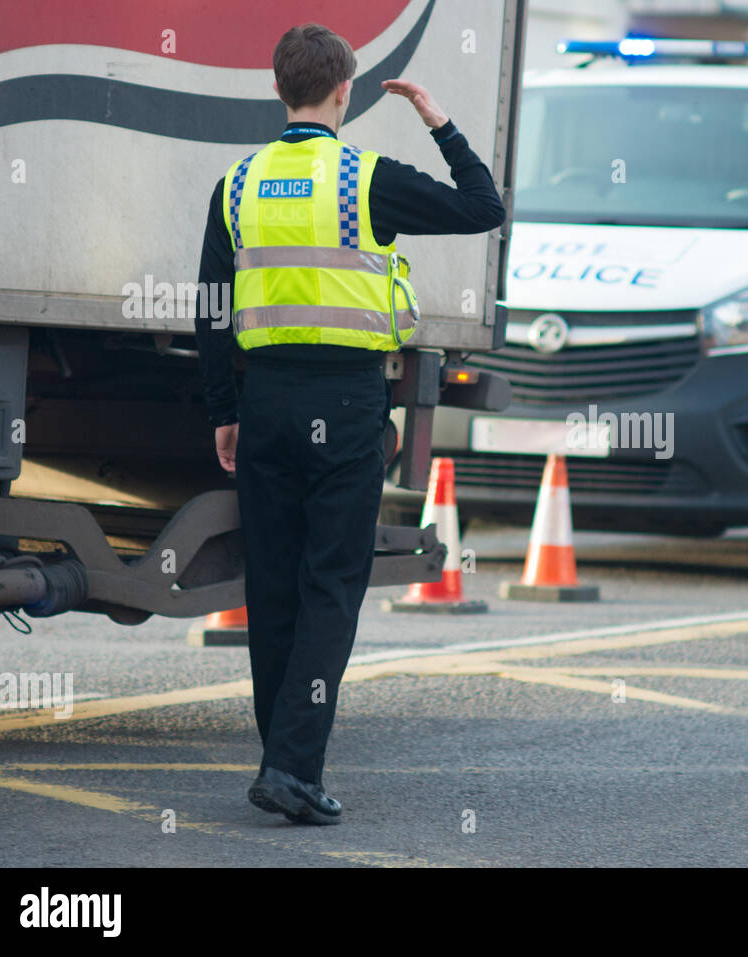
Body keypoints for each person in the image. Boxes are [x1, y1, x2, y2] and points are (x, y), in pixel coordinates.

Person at [192, 22, 505, 824]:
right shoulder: (368, 179)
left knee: (273, 582)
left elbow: (211, 311)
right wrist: (439, 120)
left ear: (275, 89)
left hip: (265, 401)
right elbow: (482, 207)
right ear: (346, 91)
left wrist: (225, 413)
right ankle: (291, 768)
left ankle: (281, 760)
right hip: (348, 400)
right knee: (331, 582)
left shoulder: (237, 184)